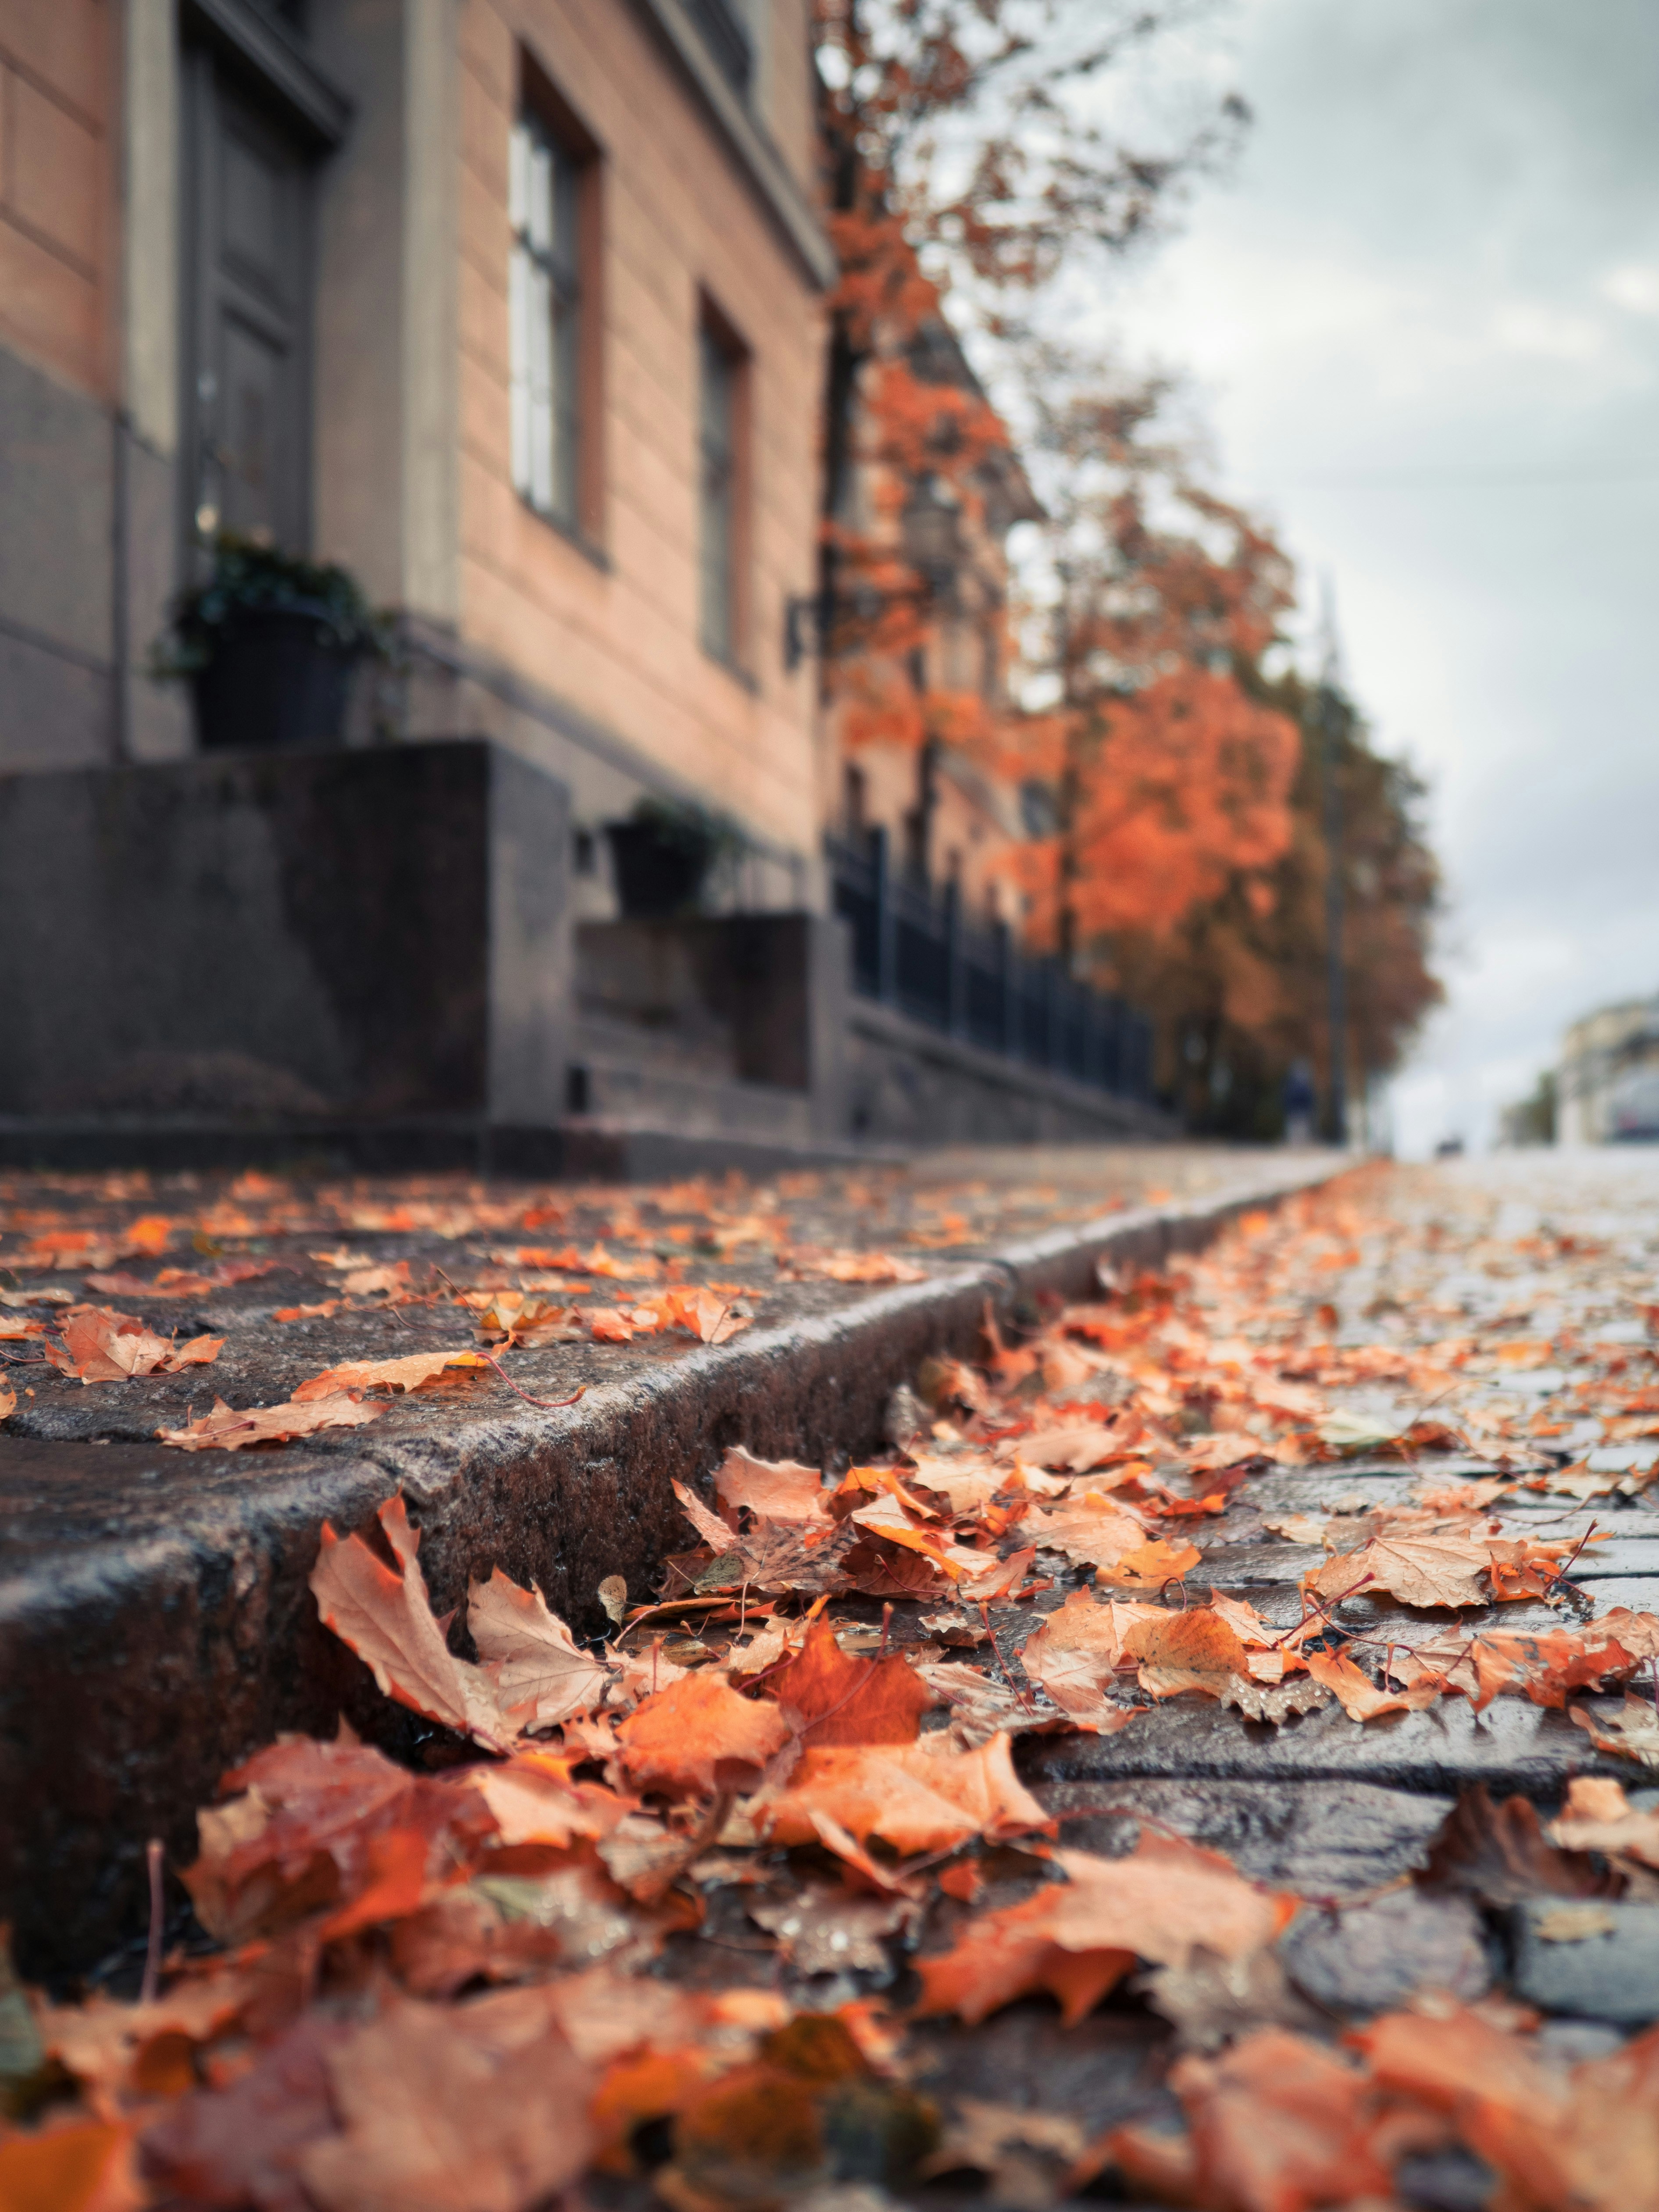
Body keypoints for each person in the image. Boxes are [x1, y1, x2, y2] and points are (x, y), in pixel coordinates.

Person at [1283, 1059, 1316, 1146]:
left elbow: (1309, 1099)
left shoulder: (1304, 1086)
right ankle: (1296, 1148)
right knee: (1295, 1134)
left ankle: (1300, 1148)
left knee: (1301, 1134)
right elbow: (1288, 1098)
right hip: (1295, 1112)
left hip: (1301, 1113)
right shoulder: (1292, 1085)